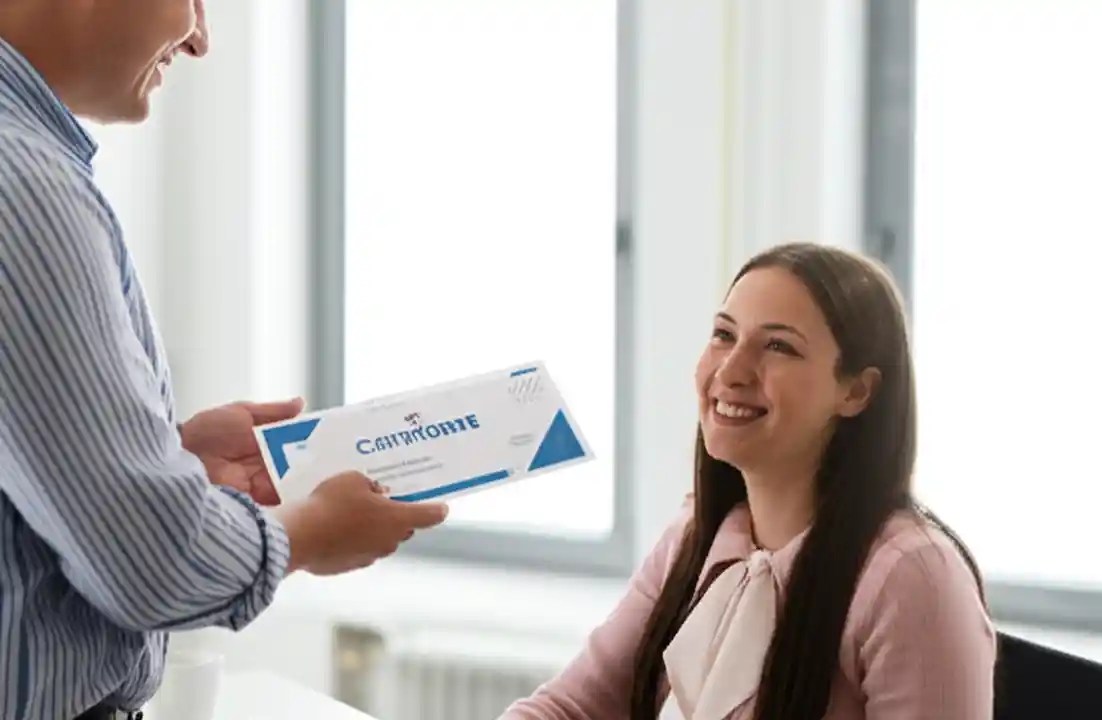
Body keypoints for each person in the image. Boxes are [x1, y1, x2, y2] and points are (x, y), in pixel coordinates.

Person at [0, 2, 450, 718]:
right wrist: (308, 534)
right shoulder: (25, 188)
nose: (200, 39)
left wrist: (160, 458)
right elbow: (151, 565)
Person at [503, 242, 996, 720]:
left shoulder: (912, 578)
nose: (732, 370)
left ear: (857, 391)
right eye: (723, 335)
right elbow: (570, 708)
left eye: (778, 346)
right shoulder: (697, 534)